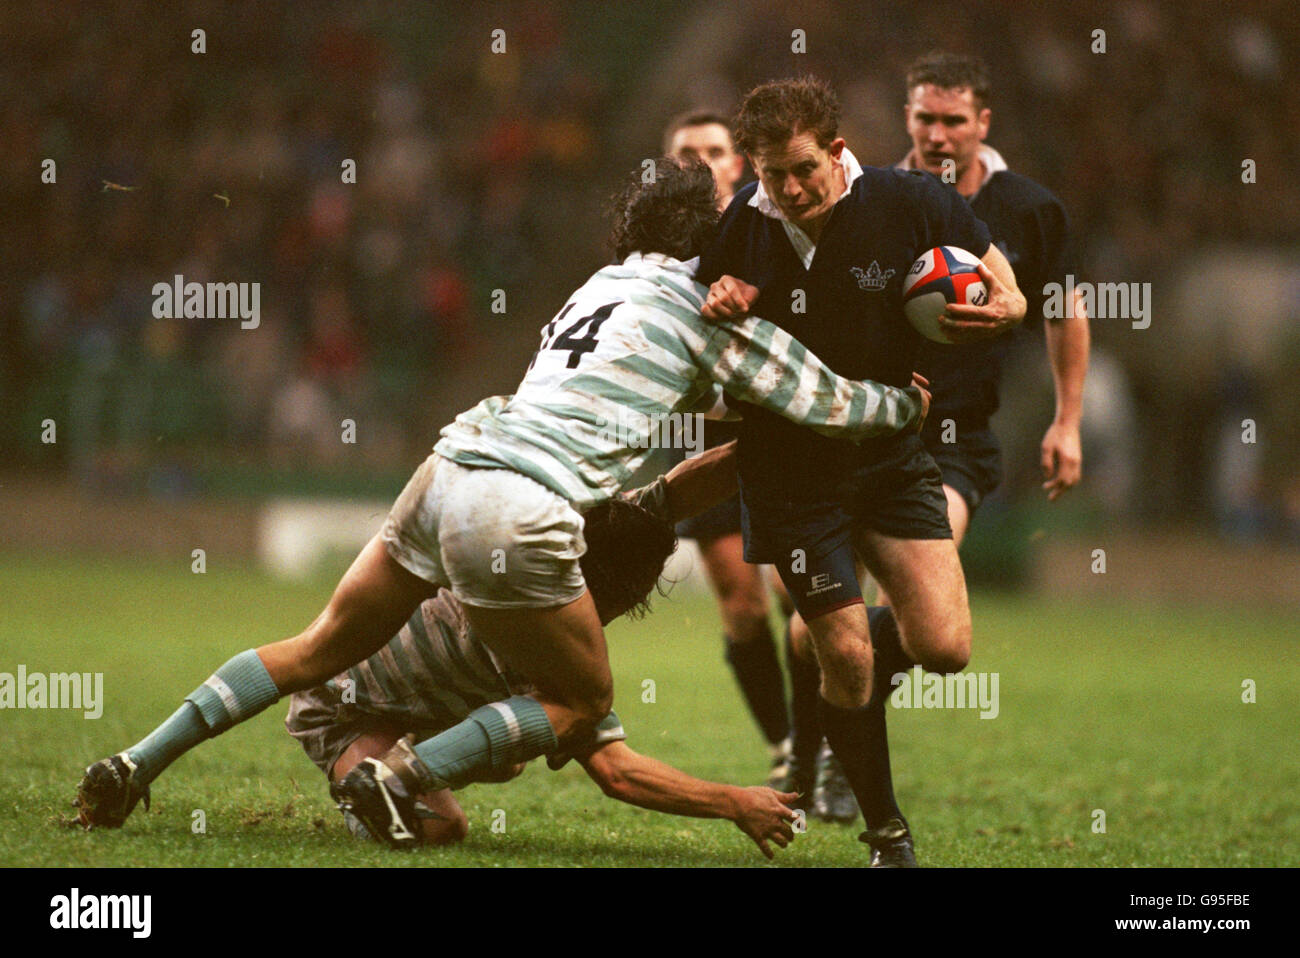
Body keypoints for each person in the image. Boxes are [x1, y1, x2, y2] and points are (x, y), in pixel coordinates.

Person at [75, 157, 932, 854]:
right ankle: (400, 778)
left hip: (452, 464)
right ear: (710, 240)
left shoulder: (597, 288)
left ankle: (136, 761)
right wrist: (905, 404)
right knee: (583, 702)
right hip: (523, 503)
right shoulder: (705, 309)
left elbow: (659, 401)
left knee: (316, 647)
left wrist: (744, 427)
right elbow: (823, 400)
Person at [698, 76, 1027, 866]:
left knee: (945, 648)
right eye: (772, 174)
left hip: (889, 458)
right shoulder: (742, 221)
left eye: (803, 169)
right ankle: (888, 836)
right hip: (789, 473)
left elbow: (1011, 292)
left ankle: (819, 638)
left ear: (837, 151)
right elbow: (703, 347)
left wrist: (1001, 311)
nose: (788, 189)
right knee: (849, 658)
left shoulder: (913, 202)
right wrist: (720, 299)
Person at [287, 447, 801, 857]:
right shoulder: (536, 629)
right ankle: (367, 785)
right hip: (340, 706)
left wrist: (767, 441)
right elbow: (617, 771)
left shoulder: (576, 532)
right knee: (443, 827)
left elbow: (672, 492)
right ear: (615, 600)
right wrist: (735, 802)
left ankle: (407, 758)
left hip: (410, 690)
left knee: (512, 755)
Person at [665, 111, 797, 791]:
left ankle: (825, 738)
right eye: (687, 152)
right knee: (742, 604)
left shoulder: (772, 227)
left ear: (739, 164)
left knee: (799, 592)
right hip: (700, 434)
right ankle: (785, 746)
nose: (702, 162)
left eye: (714, 150)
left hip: (780, 425)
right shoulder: (651, 248)